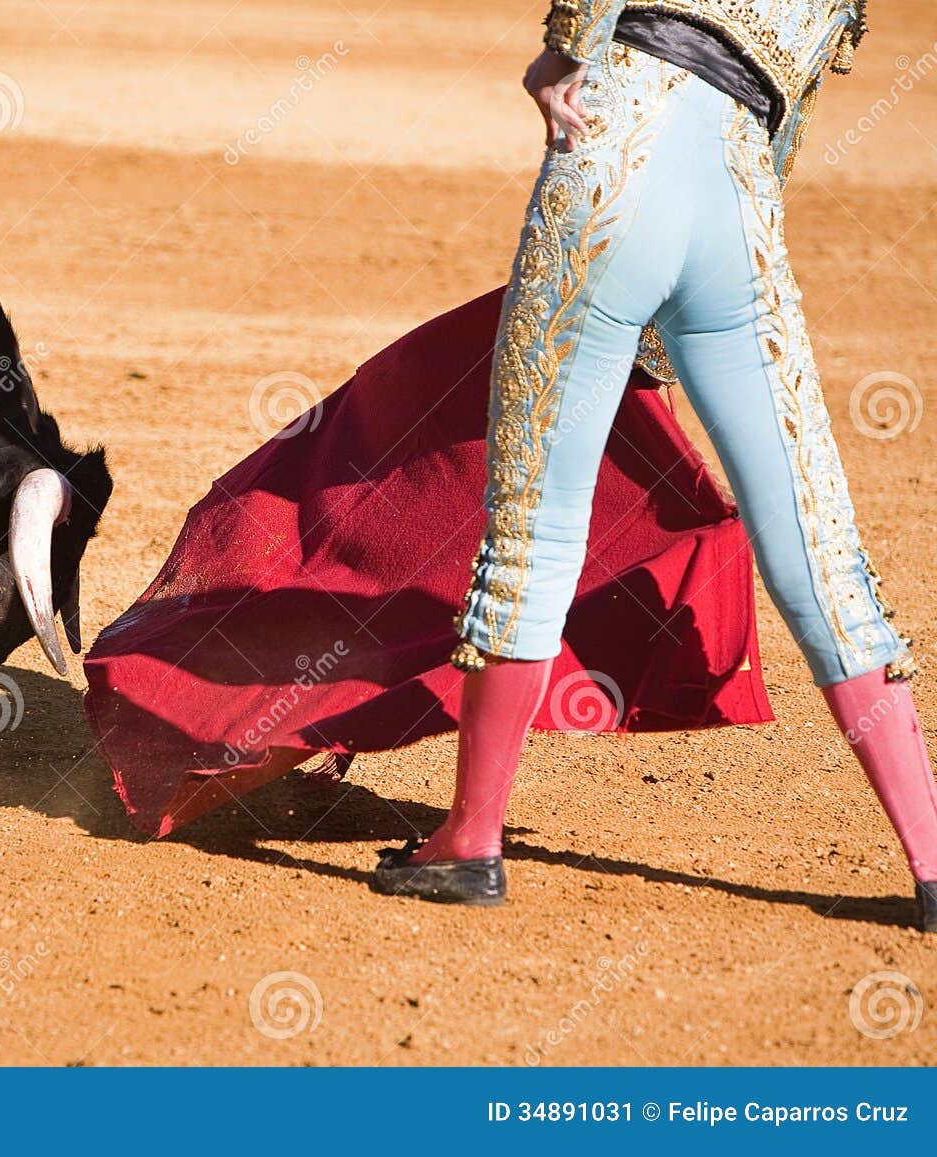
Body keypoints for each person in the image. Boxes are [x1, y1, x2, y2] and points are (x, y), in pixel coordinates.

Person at [373, 0, 937, 933]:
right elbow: (788, 103)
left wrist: (560, 56)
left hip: (615, 153)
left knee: (533, 531)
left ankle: (470, 841)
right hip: (742, 207)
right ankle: (930, 861)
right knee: (818, 547)